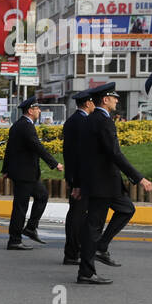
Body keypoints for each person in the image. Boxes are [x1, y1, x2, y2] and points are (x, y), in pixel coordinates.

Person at [77, 83, 152, 284]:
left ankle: (101, 247)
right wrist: (139, 177)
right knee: (93, 226)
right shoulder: (103, 121)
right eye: (114, 97)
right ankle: (86, 272)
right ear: (105, 100)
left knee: (126, 209)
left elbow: (80, 156)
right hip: (101, 184)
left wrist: (77, 183)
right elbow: (115, 154)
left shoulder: (91, 120)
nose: (117, 100)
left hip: (103, 184)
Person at [1, 95, 62, 251]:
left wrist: (6, 169)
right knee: (20, 207)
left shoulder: (19, 125)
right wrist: (54, 163)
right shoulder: (26, 126)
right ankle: (14, 240)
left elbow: (9, 149)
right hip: (24, 173)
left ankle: (30, 228)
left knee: (42, 196)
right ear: (30, 110)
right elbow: (37, 147)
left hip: (26, 173)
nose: (40, 111)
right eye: (37, 108)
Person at [61, 88, 94, 265]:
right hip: (79, 177)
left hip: (75, 175)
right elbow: (80, 154)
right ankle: (73, 252)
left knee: (77, 214)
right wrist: (78, 182)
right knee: (77, 215)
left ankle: (74, 250)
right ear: (88, 103)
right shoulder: (82, 122)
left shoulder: (74, 120)